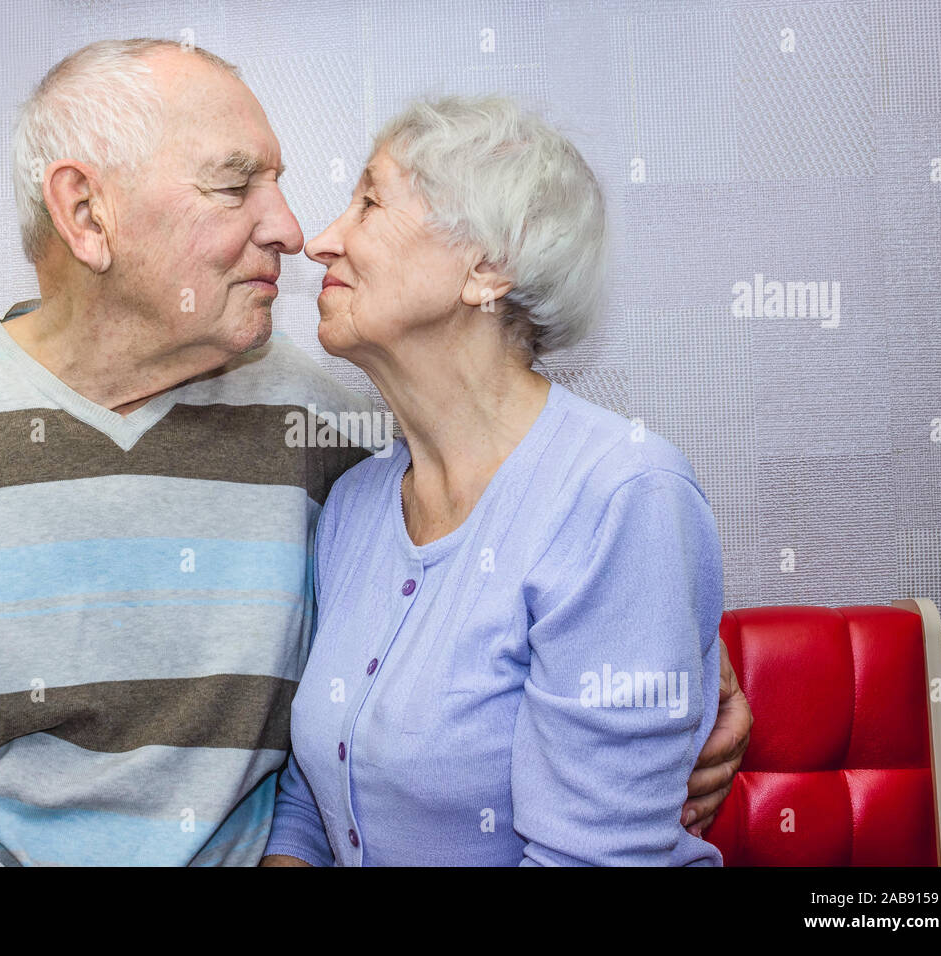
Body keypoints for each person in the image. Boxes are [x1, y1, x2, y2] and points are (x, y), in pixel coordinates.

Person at [0, 40, 748, 866]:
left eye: (311, 191)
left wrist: (684, 674)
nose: (293, 230)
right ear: (86, 213)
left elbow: (550, 543)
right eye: (237, 185)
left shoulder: (325, 428)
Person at [263, 95, 740, 865]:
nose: (320, 242)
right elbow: (310, 807)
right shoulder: (353, 504)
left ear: (488, 265)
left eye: (370, 202)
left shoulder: (624, 494)